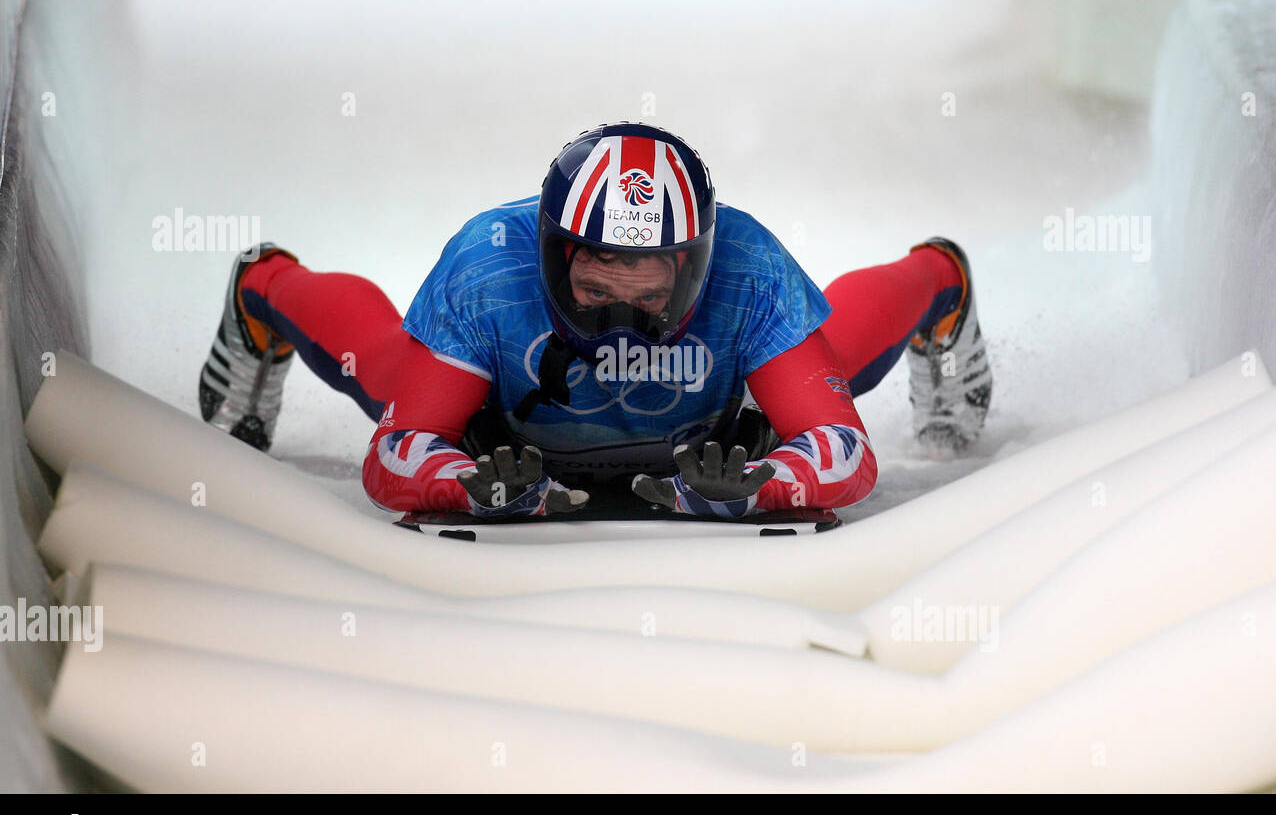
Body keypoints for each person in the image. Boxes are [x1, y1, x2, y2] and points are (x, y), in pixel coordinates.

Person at [198, 122, 992, 519]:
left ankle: (939, 276)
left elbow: (846, 450)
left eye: (642, 288)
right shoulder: (489, 269)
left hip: (713, 406)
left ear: (695, 266)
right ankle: (265, 286)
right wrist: (463, 482)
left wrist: (761, 483)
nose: (616, 319)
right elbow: (393, 455)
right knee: (379, 366)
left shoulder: (747, 269)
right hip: (509, 401)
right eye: (595, 279)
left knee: (835, 359)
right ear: (547, 256)